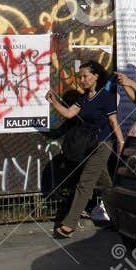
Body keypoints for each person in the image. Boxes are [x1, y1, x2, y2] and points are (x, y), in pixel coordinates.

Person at [47, 60, 123, 239]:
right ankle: (120, 219)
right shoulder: (83, 98)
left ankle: (69, 224)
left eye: (85, 76)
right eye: (80, 77)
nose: (82, 80)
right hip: (88, 146)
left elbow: (113, 122)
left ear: (96, 76)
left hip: (103, 145)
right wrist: (54, 101)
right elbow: (68, 114)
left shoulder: (106, 97)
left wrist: (120, 141)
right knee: (106, 185)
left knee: (85, 183)